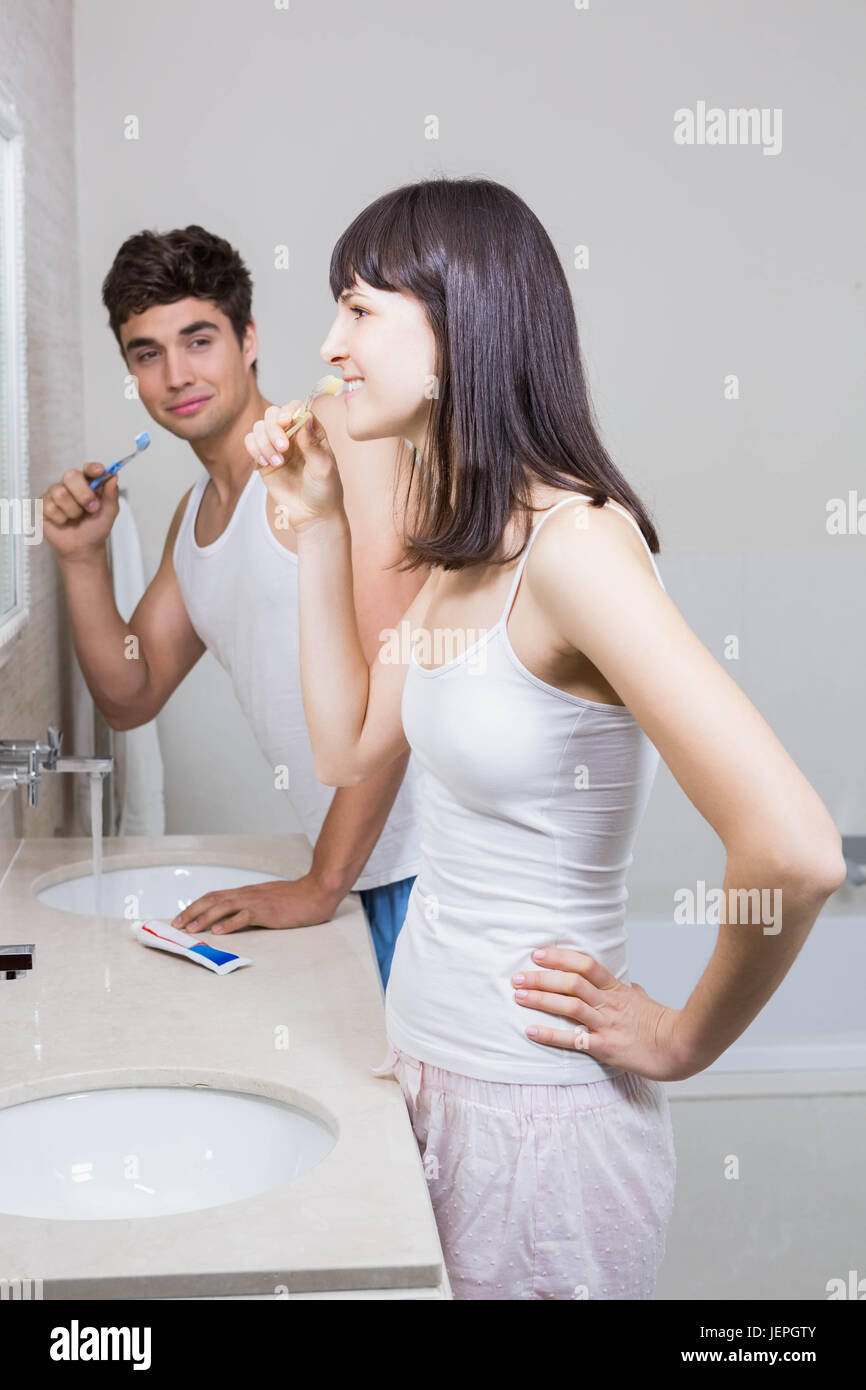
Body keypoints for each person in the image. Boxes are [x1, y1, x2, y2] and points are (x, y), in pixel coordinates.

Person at [249, 175, 846, 1300]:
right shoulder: (463, 546)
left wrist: (678, 1042)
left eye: (360, 309)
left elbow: (794, 849)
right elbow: (346, 751)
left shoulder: (572, 548)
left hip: (543, 1131)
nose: (330, 345)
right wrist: (324, 524)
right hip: (432, 1073)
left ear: (458, 324)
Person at [39, 225, 428, 990]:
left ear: (248, 339)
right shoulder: (195, 519)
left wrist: (319, 885)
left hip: (429, 867)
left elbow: (402, 679)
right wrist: (81, 559)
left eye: (198, 339)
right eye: (146, 353)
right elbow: (131, 694)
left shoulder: (335, 443)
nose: (176, 374)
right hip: (360, 871)